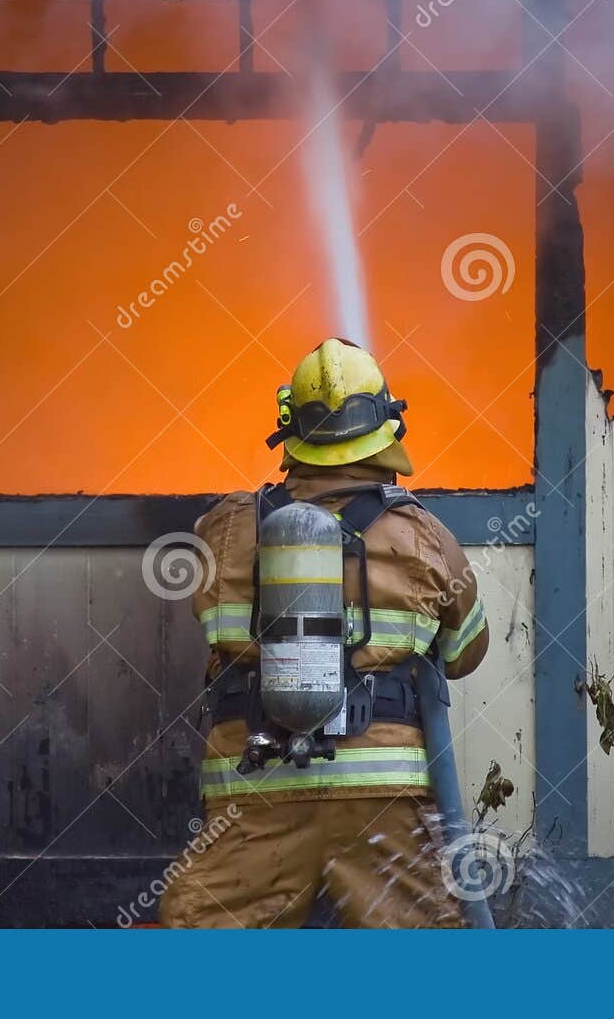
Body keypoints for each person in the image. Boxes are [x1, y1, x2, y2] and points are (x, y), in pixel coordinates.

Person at [159, 338, 490, 928]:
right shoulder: (423, 534)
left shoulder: (227, 526)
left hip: (254, 790)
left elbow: (207, 618)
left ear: (292, 430)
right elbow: (466, 653)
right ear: (385, 427)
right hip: (379, 799)